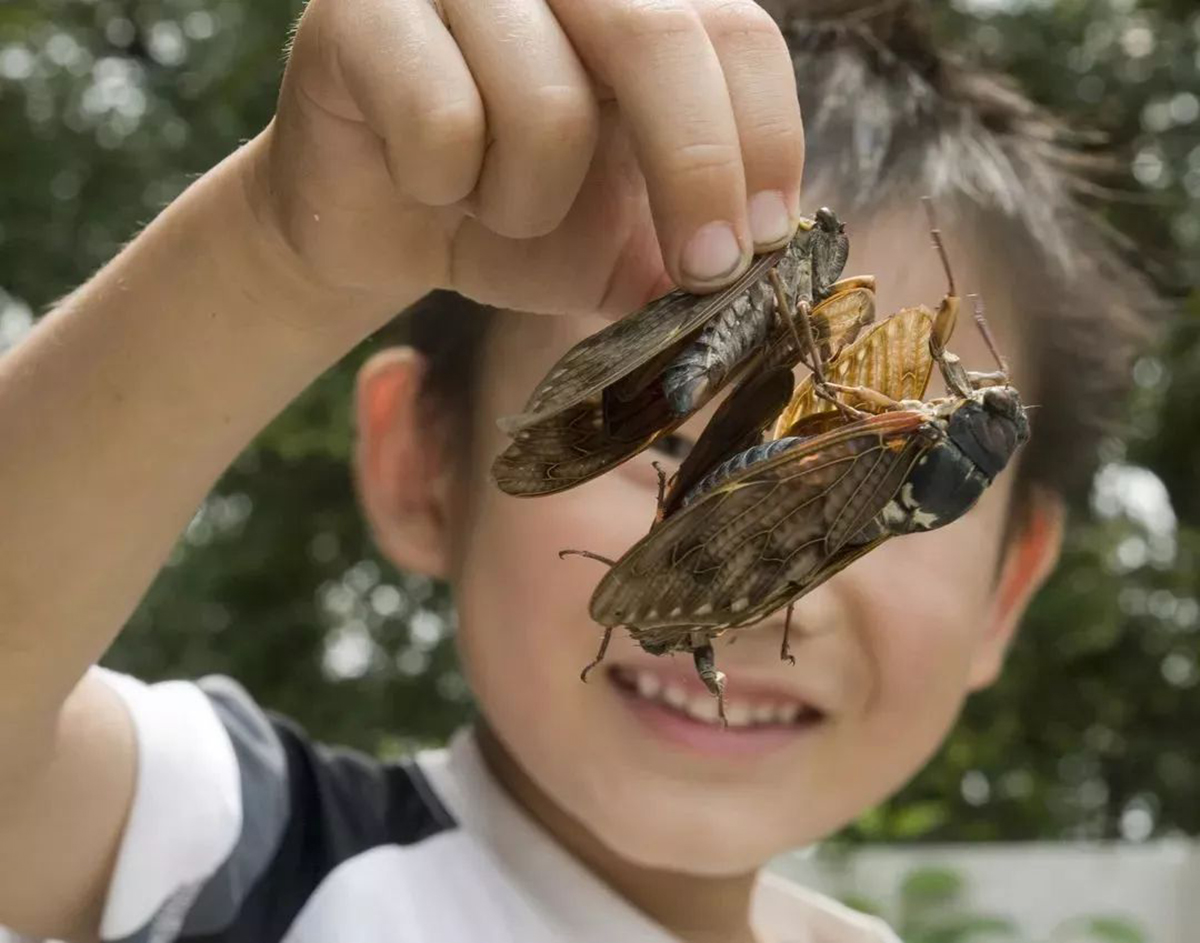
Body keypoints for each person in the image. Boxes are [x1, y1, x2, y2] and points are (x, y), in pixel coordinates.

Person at [0, 1, 1153, 941]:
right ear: (421, 466)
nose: (779, 606)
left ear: (1012, 587)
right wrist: (274, 251)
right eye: (663, 448)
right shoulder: (261, 852)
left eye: (905, 525)